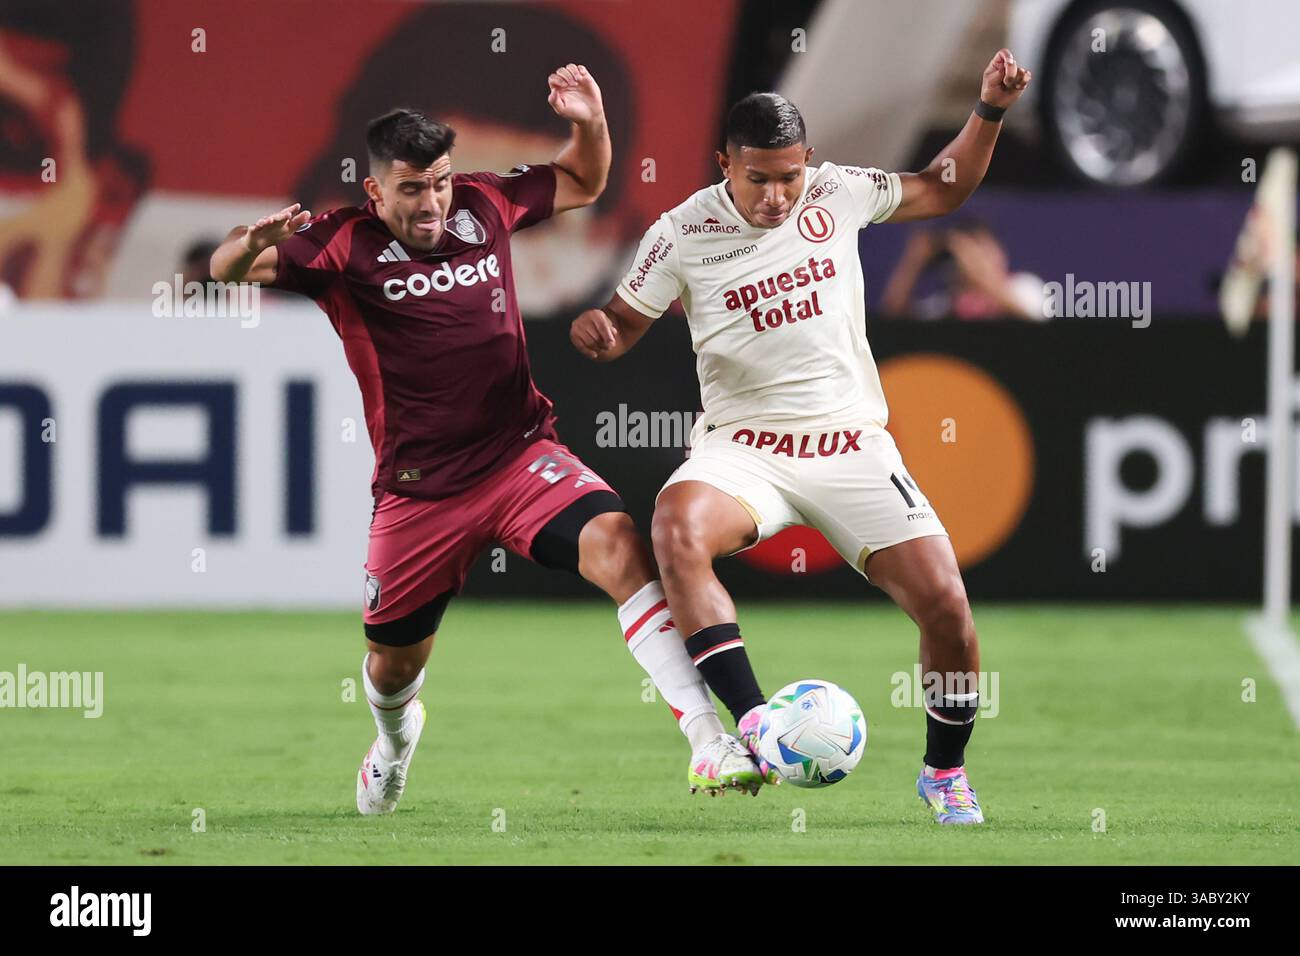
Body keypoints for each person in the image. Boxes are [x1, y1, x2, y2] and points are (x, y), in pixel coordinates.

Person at [211, 65, 756, 815]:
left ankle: (708, 741)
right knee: (392, 665)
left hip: (519, 456)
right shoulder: (341, 245)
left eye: (437, 181)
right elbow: (221, 269)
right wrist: (249, 246)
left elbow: (583, 182)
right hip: (419, 494)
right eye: (411, 189)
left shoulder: (484, 202)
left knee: (621, 547)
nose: (431, 201)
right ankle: (395, 743)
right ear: (376, 192)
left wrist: (590, 123)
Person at [570, 50, 1032, 824]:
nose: (777, 195)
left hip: (850, 445)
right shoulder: (680, 231)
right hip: (744, 448)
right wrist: (601, 335)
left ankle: (944, 773)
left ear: (807, 164)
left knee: (948, 607)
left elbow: (942, 189)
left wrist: (987, 109)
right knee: (676, 526)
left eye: (789, 176)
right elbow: (621, 322)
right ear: (725, 165)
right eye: (758, 178)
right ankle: (753, 725)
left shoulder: (838, 193)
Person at [881, 220, 1046, 320]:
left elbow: (1035, 324)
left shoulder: (1024, 286)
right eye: (968, 253)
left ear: (1000, 252)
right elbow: (894, 316)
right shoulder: (948, 303)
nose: (974, 260)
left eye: (982, 250)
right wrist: (913, 261)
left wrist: (979, 277)